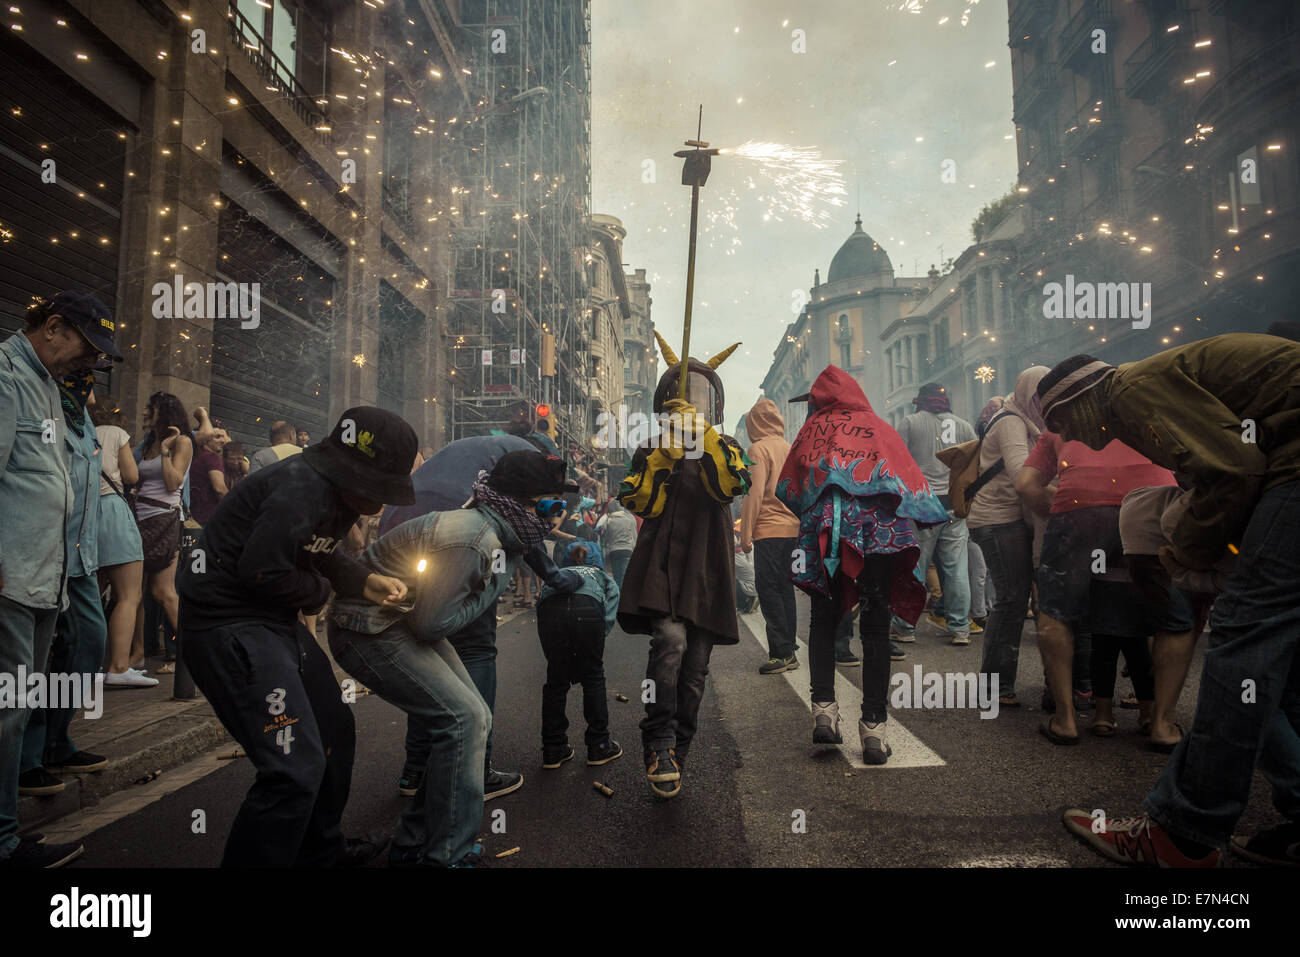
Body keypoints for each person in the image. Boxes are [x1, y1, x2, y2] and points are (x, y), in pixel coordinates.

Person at [1039, 338, 1300, 867]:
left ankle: (1185, 833)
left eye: (1061, 422)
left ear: (1078, 402)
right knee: (1283, 654)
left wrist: (1185, 552)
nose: (1065, 438)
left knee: (1244, 633)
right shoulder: (1139, 394)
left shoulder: (1131, 390)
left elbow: (1232, 470)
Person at [177, 407, 414, 867]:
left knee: (334, 731)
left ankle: (318, 852)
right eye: (380, 488)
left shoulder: (333, 491)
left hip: (271, 621)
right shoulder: (299, 488)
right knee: (293, 766)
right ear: (354, 474)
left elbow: (315, 552)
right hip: (229, 626)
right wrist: (320, 592)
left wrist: (365, 581)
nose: (383, 502)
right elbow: (264, 570)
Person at [329, 450, 581, 866]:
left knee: (472, 715)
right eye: (554, 506)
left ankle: (413, 842)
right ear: (526, 505)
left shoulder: (495, 529)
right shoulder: (474, 538)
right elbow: (434, 623)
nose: (558, 517)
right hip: (368, 628)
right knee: (462, 719)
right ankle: (447, 854)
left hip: (396, 621)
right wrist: (489, 590)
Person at [376, 431, 580, 801]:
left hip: (400, 525)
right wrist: (556, 576)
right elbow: (522, 524)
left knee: (427, 653)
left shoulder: (475, 447)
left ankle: (415, 769)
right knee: (476, 648)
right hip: (455, 532)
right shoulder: (527, 461)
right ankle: (477, 770)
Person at [1, 291, 122, 869]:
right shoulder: (7, 377)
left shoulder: (49, 386)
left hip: (44, 575)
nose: (90, 363)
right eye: (86, 347)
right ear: (53, 328)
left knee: (18, 703)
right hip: (10, 575)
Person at [776, 366, 948, 762]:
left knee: (823, 617)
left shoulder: (812, 431)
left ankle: (823, 712)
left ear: (818, 401)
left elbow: (787, 487)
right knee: (874, 626)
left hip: (827, 534)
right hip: (881, 537)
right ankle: (873, 731)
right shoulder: (880, 427)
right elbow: (908, 482)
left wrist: (818, 505)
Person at [618, 333, 750, 799]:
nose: (690, 401)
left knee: (695, 668)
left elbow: (730, 487)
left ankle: (680, 747)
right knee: (669, 643)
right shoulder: (651, 447)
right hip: (661, 561)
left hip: (707, 564)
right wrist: (663, 457)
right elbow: (639, 501)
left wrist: (704, 439)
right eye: (681, 393)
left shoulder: (727, 445)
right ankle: (658, 740)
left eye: (699, 394)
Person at [1015, 429, 1179, 744]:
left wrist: (1063, 513)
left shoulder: (1061, 422)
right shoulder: (1145, 411)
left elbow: (1025, 484)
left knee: (1056, 612)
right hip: (1156, 502)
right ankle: (1162, 724)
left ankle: (1065, 720)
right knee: (1173, 617)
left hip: (1081, 505)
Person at [18, 366, 113, 799]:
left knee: (89, 644)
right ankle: (28, 758)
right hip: (43, 552)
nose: (93, 384)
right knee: (34, 661)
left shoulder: (82, 419)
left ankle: (58, 739)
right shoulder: (43, 409)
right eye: (87, 374)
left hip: (81, 557)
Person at [965, 367, 1049, 709]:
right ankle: (995, 685)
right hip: (996, 519)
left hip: (1014, 517)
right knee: (1012, 597)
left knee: (1016, 598)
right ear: (1028, 394)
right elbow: (1019, 473)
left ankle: (999, 682)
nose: (1046, 403)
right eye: (1041, 396)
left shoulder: (1031, 422)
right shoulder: (1012, 422)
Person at [893, 383, 978, 646]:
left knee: (915, 567)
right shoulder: (964, 426)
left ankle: (906, 627)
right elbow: (975, 466)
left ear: (921, 401)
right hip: (954, 504)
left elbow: (896, 462)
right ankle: (960, 628)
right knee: (956, 569)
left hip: (921, 505)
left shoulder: (910, 422)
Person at [535, 541, 622, 769]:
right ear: (597, 561)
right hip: (589, 612)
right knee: (593, 678)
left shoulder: (556, 575)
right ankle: (599, 746)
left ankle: (553, 749)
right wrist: (597, 638)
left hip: (552, 614)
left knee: (555, 681)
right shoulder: (600, 575)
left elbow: (541, 605)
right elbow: (612, 605)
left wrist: (552, 653)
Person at [738, 397, 802, 674]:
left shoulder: (757, 449)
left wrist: (745, 533)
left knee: (768, 589)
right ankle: (789, 644)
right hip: (793, 528)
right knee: (785, 587)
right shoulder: (789, 448)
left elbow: (753, 493)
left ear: (755, 423)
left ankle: (782, 652)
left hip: (769, 529)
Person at [92, 403, 153, 688]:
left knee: (91, 595)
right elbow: (131, 476)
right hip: (114, 513)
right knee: (129, 595)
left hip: (86, 515)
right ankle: (118, 667)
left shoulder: (82, 432)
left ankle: (86, 664)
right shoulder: (117, 433)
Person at [132, 392, 194, 674]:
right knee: (135, 592)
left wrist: (167, 451)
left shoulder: (181, 442)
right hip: (138, 519)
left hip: (164, 520)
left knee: (163, 592)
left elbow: (173, 483)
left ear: (164, 411)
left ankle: (191, 653)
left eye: (151, 407)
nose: (146, 412)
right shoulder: (147, 443)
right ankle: (137, 654)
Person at [596, 499, 637, 589]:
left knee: (616, 576)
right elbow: (634, 537)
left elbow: (605, 537)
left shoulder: (608, 521)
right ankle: (622, 598)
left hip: (613, 551)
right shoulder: (629, 519)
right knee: (624, 576)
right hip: (627, 550)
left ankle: (618, 595)